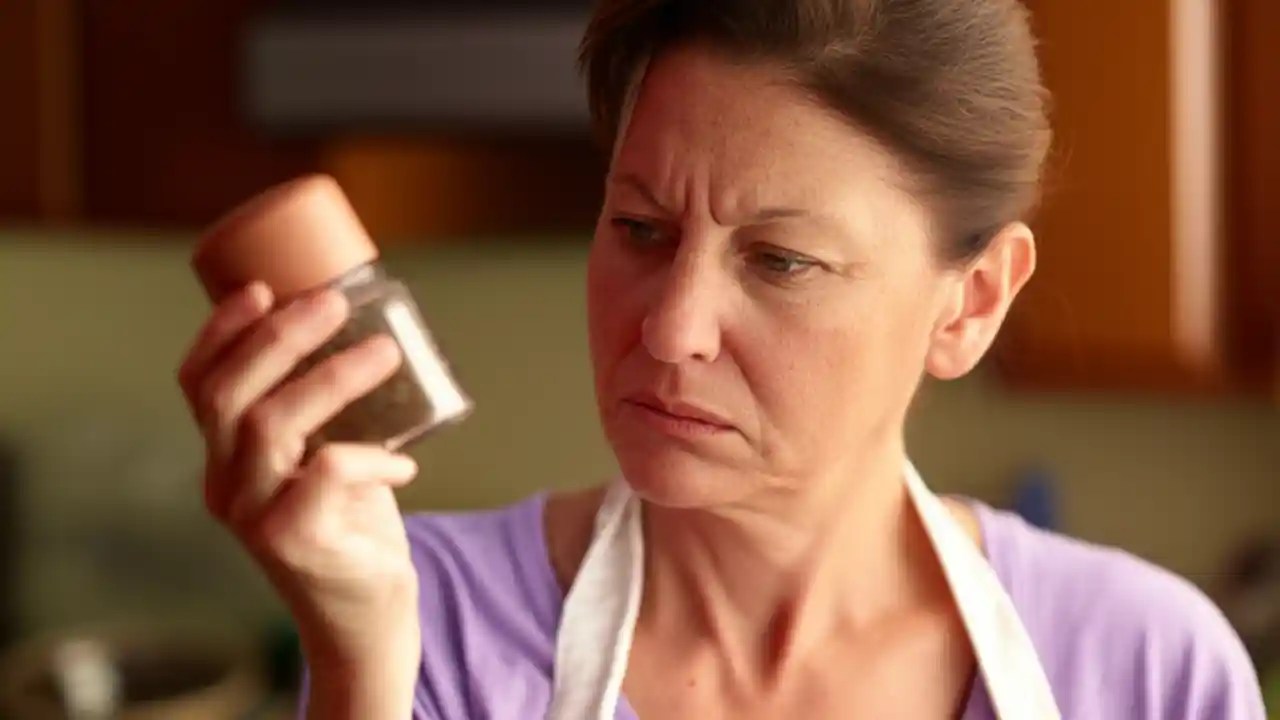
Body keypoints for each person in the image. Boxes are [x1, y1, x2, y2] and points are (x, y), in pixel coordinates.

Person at [178, 0, 1266, 717]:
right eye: (639, 229)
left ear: (970, 304)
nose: (669, 329)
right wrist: (360, 660)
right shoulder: (426, 623)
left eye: (781, 261)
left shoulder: (1145, 669)